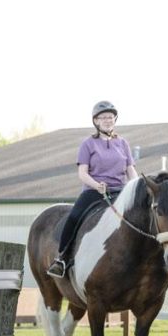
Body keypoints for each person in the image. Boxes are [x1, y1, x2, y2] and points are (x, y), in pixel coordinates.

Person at [47, 100, 138, 277]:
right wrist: (97, 185)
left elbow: (130, 170)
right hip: (94, 191)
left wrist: (136, 187)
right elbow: (82, 173)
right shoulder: (88, 144)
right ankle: (62, 258)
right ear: (96, 121)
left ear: (115, 119)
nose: (107, 120)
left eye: (110, 117)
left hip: (120, 192)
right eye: (103, 118)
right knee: (74, 217)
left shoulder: (123, 143)